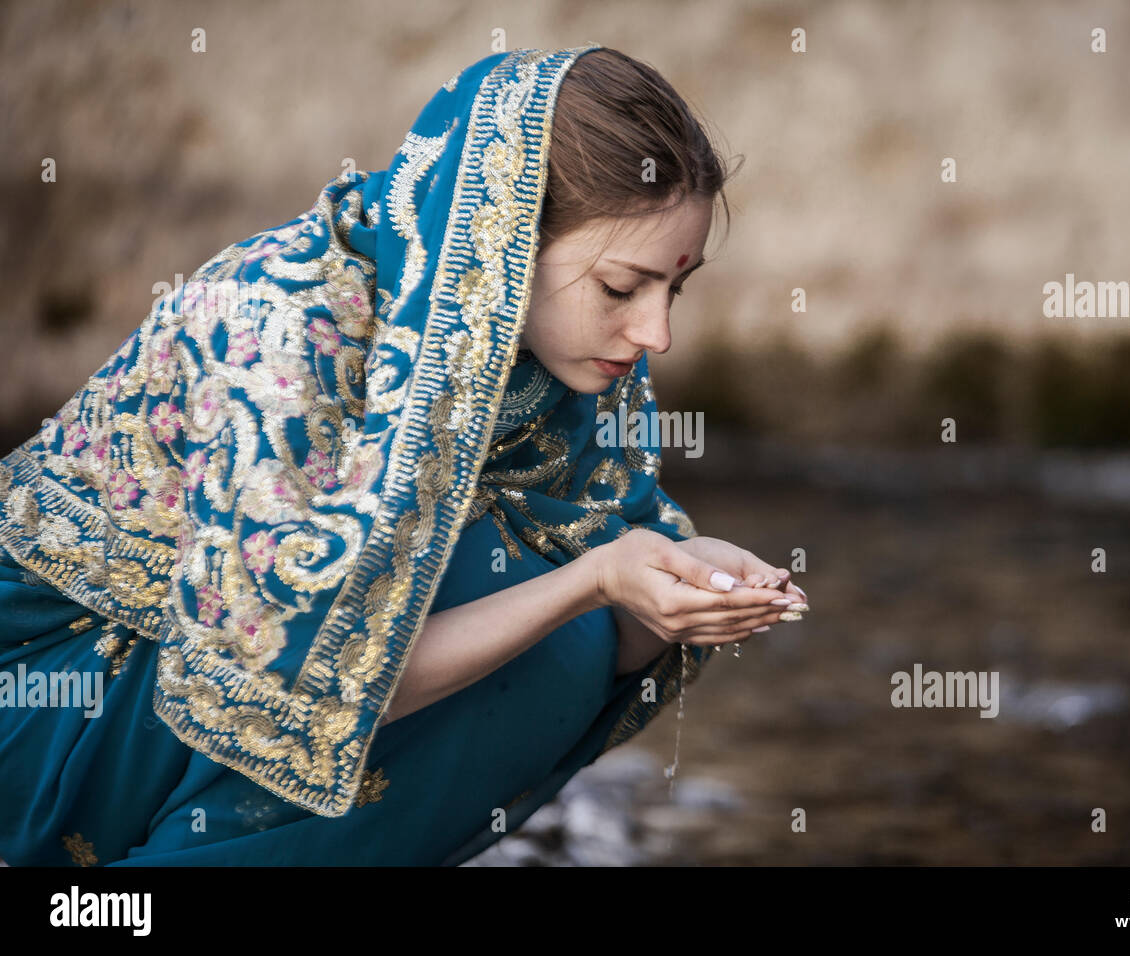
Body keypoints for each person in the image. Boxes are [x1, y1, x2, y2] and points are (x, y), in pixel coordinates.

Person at [0, 44, 809, 866]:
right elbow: (281, 682)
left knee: (551, 608)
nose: (656, 334)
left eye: (675, 289)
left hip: (195, 708)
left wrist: (679, 585)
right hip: (53, 706)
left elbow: (596, 633)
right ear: (503, 240)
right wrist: (594, 580)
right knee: (510, 587)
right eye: (619, 288)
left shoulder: (561, 375)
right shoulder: (278, 323)